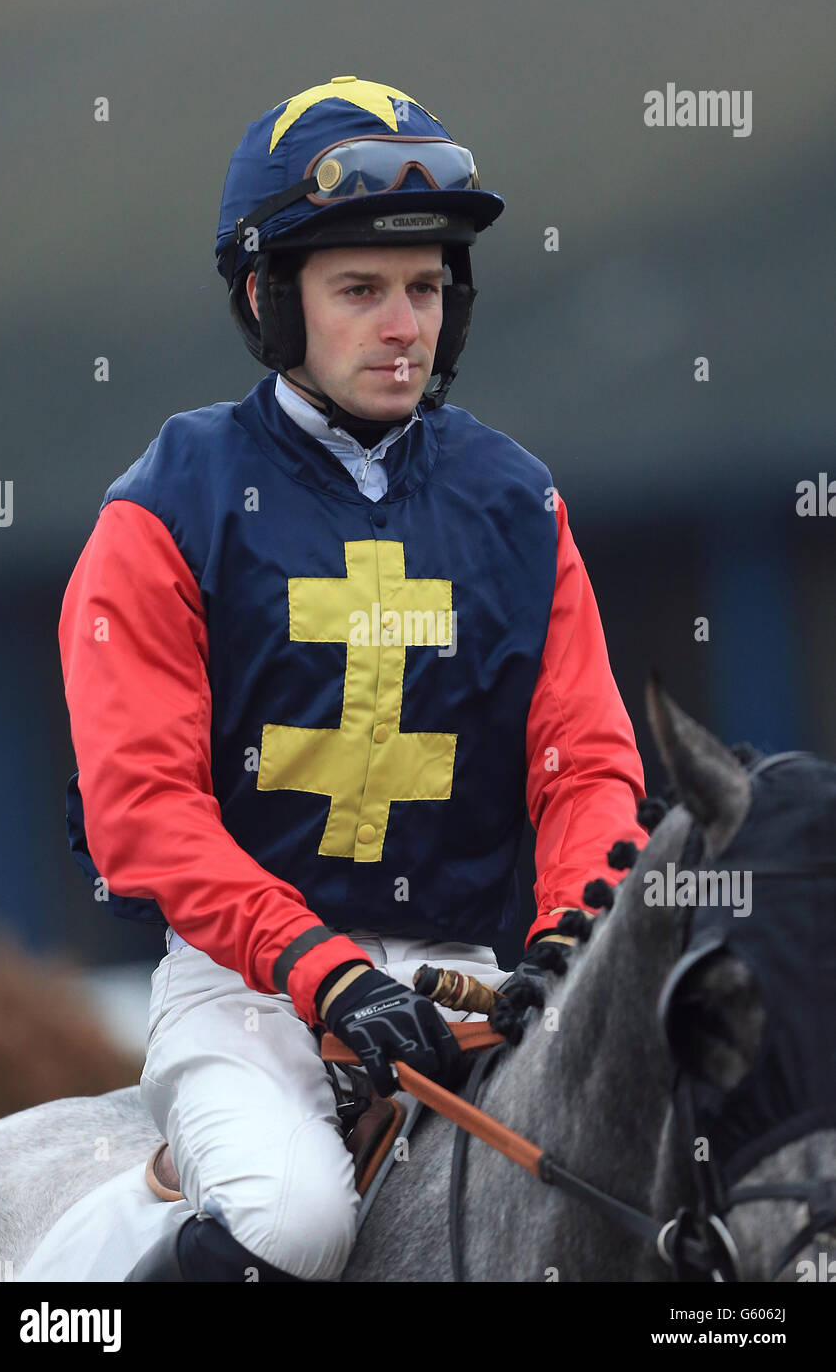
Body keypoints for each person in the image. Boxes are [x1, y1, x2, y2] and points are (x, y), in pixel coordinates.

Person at [58, 75, 648, 1283]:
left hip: (469, 977)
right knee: (296, 1223)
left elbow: (585, 767)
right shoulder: (168, 504)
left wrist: (564, 949)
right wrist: (320, 967)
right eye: (360, 289)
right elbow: (142, 811)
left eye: (425, 288)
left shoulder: (518, 502)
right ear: (269, 300)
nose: (402, 326)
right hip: (246, 988)